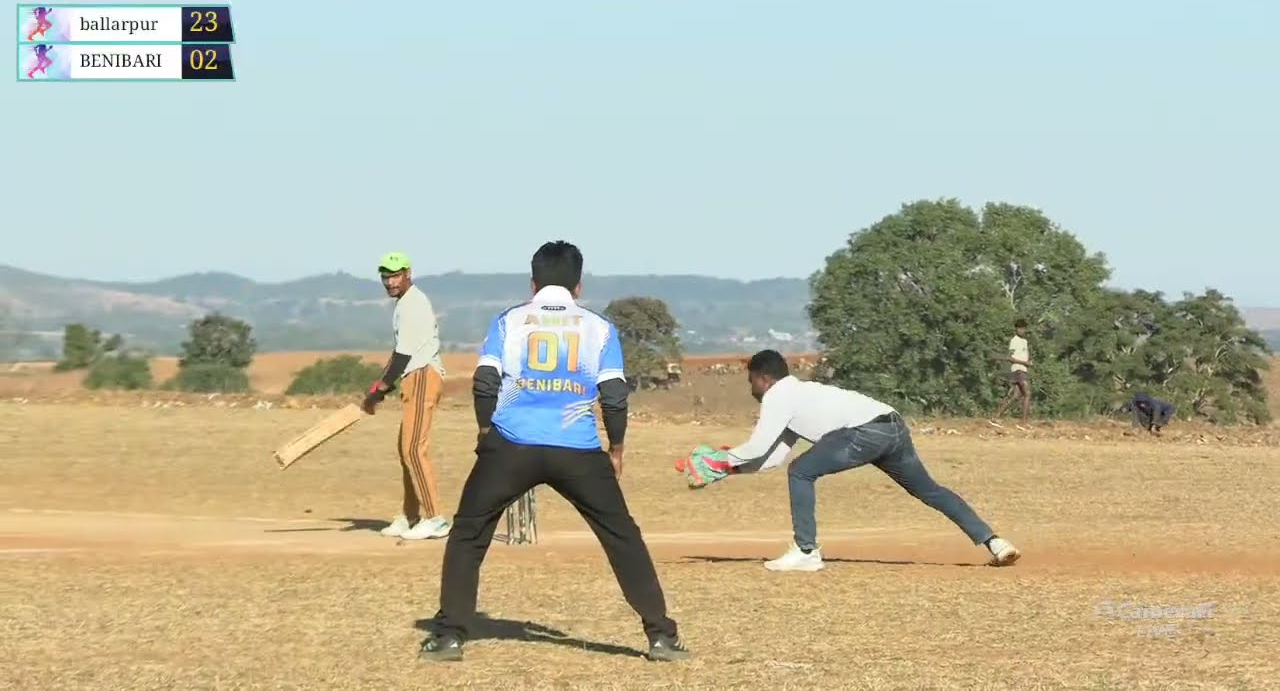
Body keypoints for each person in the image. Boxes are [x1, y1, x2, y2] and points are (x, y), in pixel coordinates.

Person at [419, 240, 689, 663]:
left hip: (511, 444)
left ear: (533, 283)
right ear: (578, 287)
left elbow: (485, 382)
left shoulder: (509, 321)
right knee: (621, 536)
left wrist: (486, 430)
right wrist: (615, 447)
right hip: (577, 449)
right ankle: (661, 636)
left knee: (469, 533)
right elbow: (615, 395)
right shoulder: (598, 328)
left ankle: (450, 635)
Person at [682, 350, 1021, 572]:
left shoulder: (778, 396)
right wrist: (728, 470)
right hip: (892, 426)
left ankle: (806, 552)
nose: (752, 389)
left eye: (751, 381)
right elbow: (771, 457)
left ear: (764, 378)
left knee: (801, 471)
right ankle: (996, 542)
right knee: (930, 491)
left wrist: (716, 462)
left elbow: (756, 447)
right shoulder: (799, 395)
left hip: (863, 434)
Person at [362, 252, 451, 541]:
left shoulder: (413, 303)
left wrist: (380, 389)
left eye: (395, 275)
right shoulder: (405, 304)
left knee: (414, 448)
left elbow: (403, 355)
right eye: (386, 276)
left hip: (423, 374)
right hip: (415, 376)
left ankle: (435, 517)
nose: (390, 281)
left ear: (408, 273)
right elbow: (400, 353)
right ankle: (411, 515)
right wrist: (380, 387)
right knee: (406, 448)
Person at [991, 319, 1032, 424]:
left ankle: (997, 415)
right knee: (1027, 393)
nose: (1021, 330)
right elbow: (1009, 357)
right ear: (1016, 329)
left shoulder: (1025, 341)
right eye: (1019, 328)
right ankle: (1024, 422)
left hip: (1023, 369)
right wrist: (1024, 363)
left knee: (1016, 396)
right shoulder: (1014, 340)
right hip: (1018, 369)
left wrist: (1027, 363)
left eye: (1023, 328)